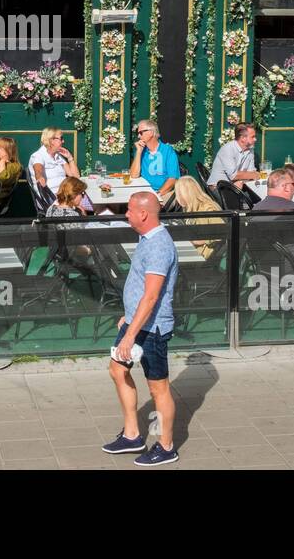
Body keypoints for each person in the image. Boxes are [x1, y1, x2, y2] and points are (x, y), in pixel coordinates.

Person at [103, 192, 180, 466]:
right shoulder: (147, 238)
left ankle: (166, 446)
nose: (126, 214)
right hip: (137, 322)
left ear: (144, 214)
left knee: (158, 388)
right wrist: (128, 317)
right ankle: (133, 435)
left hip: (152, 328)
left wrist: (131, 333)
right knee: (117, 369)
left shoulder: (159, 246)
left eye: (129, 210)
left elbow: (151, 296)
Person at [172, 176, 226, 259]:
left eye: (178, 194)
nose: (177, 198)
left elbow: (222, 231)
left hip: (203, 255)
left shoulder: (207, 209)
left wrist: (200, 240)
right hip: (193, 250)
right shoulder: (191, 208)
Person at [129, 119, 179, 203]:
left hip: (163, 193)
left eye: (141, 133)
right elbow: (134, 175)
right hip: (142, 192)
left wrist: (156, 195)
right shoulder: (141, 151)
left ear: (151, 133)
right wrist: (138, 152)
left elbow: (172, 179)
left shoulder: (167, 151)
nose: (138, 136)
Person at [207, 122, 260, 187]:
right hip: (217, 187)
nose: (255, 139)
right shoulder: (228, 149)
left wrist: (252, 175)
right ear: (243, 138)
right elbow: (233, 175)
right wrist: (255, 174)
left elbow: (251, 171)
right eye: (252, 137)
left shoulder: (250, 149)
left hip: (236, 186)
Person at [29, 128, 80, 194]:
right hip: (52, 198)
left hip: (65, 194)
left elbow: (75, 177)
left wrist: (70, 158)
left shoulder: (58, 156)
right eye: (61, 138)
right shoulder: (38, 155)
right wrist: (39, 177)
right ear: (51, 140)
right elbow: (38, 168)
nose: (63, 141)